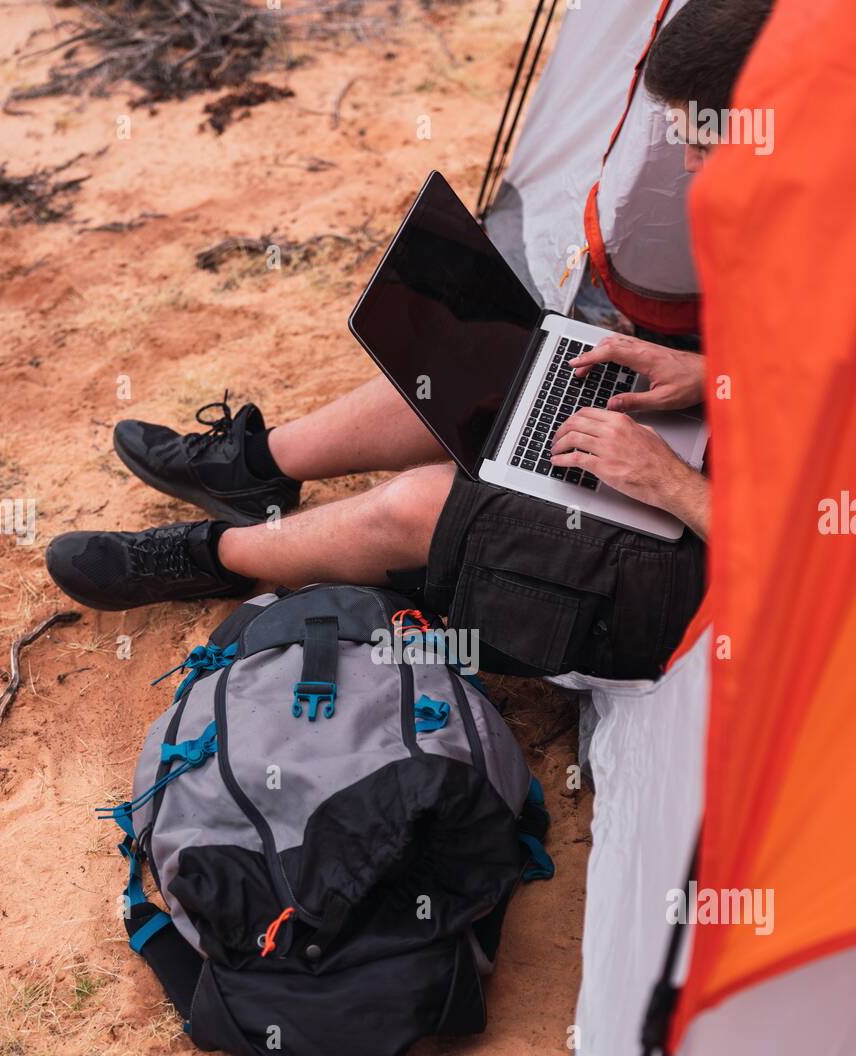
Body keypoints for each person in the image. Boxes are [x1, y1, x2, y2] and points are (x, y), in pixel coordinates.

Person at [45, 0, 773, 681]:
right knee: (513, 365)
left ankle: (220, 556)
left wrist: (674, 486)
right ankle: (254, 468)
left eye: (703, 142)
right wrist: (706, 374)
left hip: (725, 560)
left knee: (420, 505)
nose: (686, 166)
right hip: (732, 459)